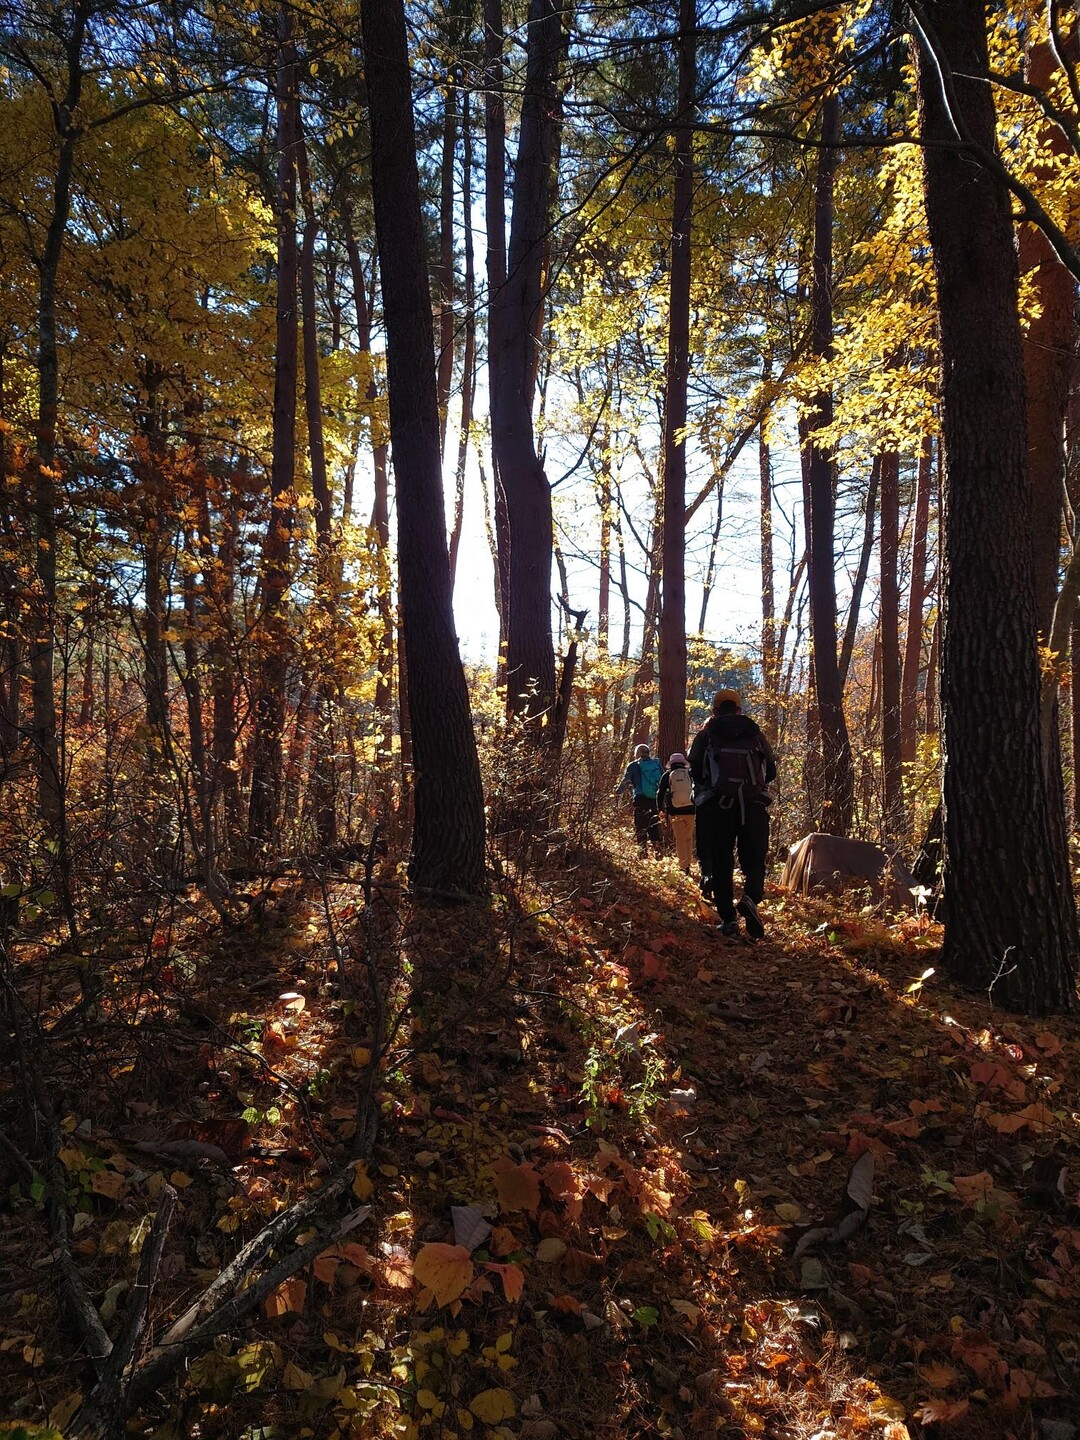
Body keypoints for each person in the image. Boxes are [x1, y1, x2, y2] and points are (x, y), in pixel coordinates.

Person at [689, 688, 777, 938]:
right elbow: (770, 772)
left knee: (721, 862)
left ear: (715, 711)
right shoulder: (756, 734)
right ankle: (750, 897)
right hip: (754, 806)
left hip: (718, 807)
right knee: (755, 859)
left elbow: (694, 768)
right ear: (738, 709)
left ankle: (728, 919)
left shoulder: (706, 735)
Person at [614, 743, 664, 853]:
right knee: (653, 824)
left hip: (640, 799)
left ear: (638, 753)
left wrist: (618, 791)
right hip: (654, 799)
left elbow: (626, 781)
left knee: (640, 826)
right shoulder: (656, 764)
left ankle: (642, 852)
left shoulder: (634, 765)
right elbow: (663, 781)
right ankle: (658, 848)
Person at [656, 752, 695, 873]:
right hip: (691, 810)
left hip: (675, 811)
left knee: (680, 838)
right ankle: (688, 862)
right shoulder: (690, 774)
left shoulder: (667, 775)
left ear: (671, 764)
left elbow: (660, 793)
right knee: (688, 837)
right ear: (683, 763)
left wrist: (660, 809)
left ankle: (684, 865)